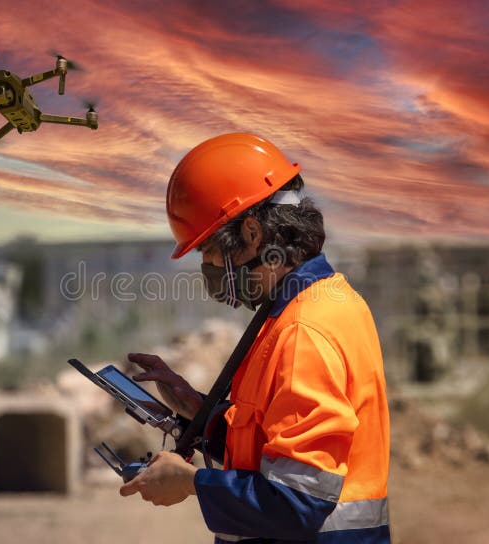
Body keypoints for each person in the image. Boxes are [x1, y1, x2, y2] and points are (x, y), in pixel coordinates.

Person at [120, 133, 391, 543]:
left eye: (209, 251)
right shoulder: (324, 301)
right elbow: (276, 446)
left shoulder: (302, 331)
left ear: (251, 233)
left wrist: (192, 482)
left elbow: (298, 501)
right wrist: (200, 412)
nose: (209, 267)